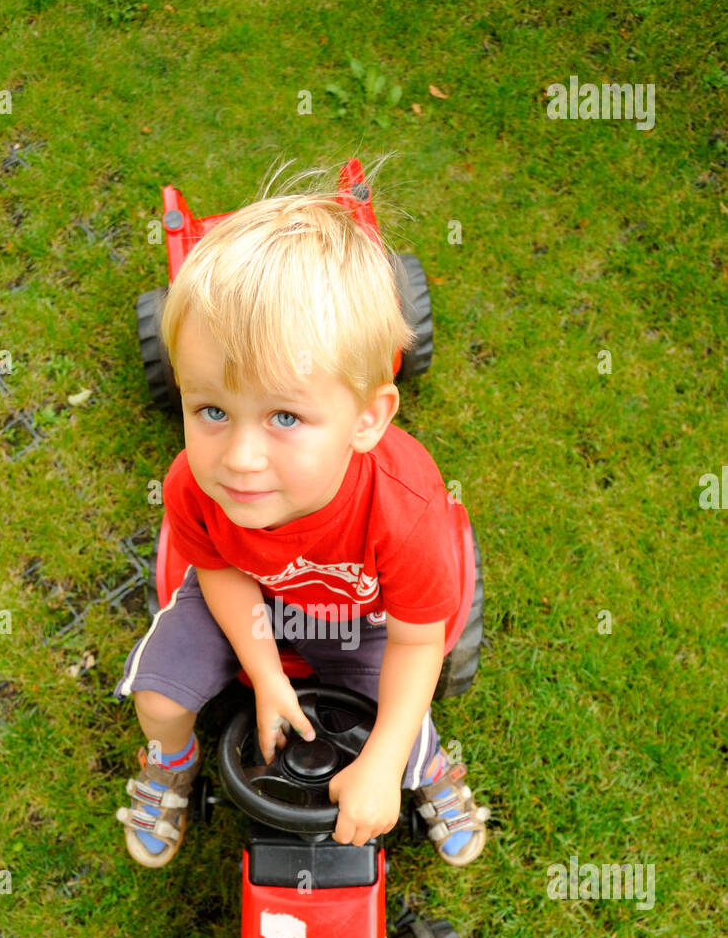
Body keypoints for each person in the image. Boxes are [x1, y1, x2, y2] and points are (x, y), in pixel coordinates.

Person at [113, 186, 489, 868]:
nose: (240, 458)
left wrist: (380, 763)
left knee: (403, 727)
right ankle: (172, 761)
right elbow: (220, 568)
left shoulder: (403, 509)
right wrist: (265, 674)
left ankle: (431, 770)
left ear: (369, 419)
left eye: (284, 417)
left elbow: (415, 642)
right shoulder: (195, 483)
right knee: (159, 694)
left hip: (362, 617)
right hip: (244, 594)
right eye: (212, 411)